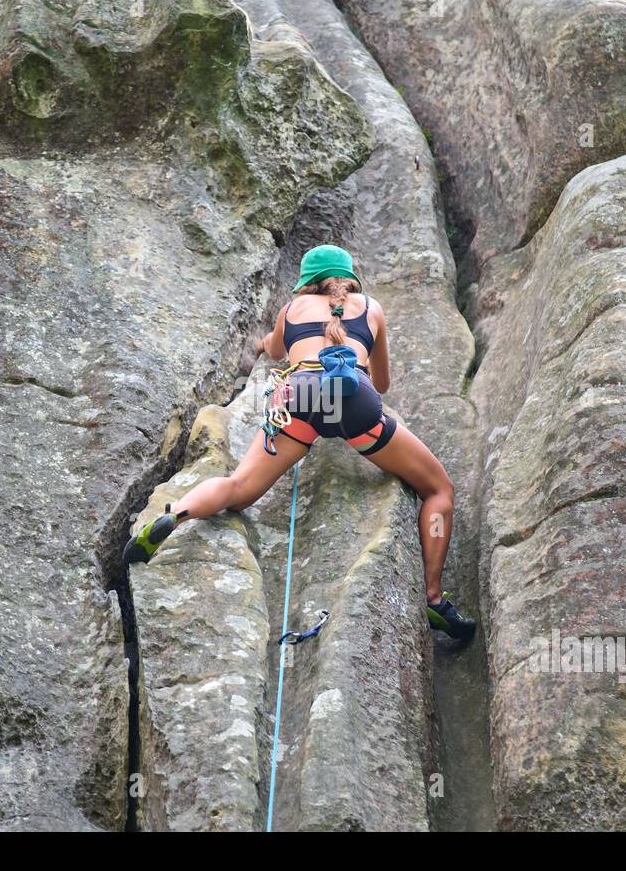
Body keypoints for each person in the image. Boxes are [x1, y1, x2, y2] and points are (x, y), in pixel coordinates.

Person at [124, 244, 474, 640]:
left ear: (306, 283)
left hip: (298, 396)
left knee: (239, 489)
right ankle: (432, 598)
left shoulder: (291, 311)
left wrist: (263, 346)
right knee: (439, 488)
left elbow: (273, 349)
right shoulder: (371, 308)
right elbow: (382, 384)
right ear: (350, 278)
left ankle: (178, 513)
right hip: (353, 398)